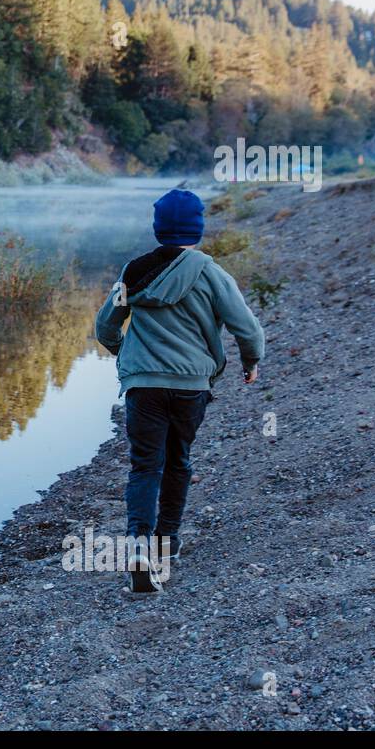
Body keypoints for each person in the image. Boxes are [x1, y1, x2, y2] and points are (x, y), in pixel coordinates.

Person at [94, 188, 265, 593]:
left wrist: (128, 357)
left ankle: (138, 544)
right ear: (198, 228)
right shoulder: (211, 272)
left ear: (158, 229)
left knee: (144, 465)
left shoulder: (133, 272)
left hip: (143, 386)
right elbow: (247, 327)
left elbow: (105, 327)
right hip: (190, 387)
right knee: (178, 460)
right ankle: (167, 543)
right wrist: (251, 361)